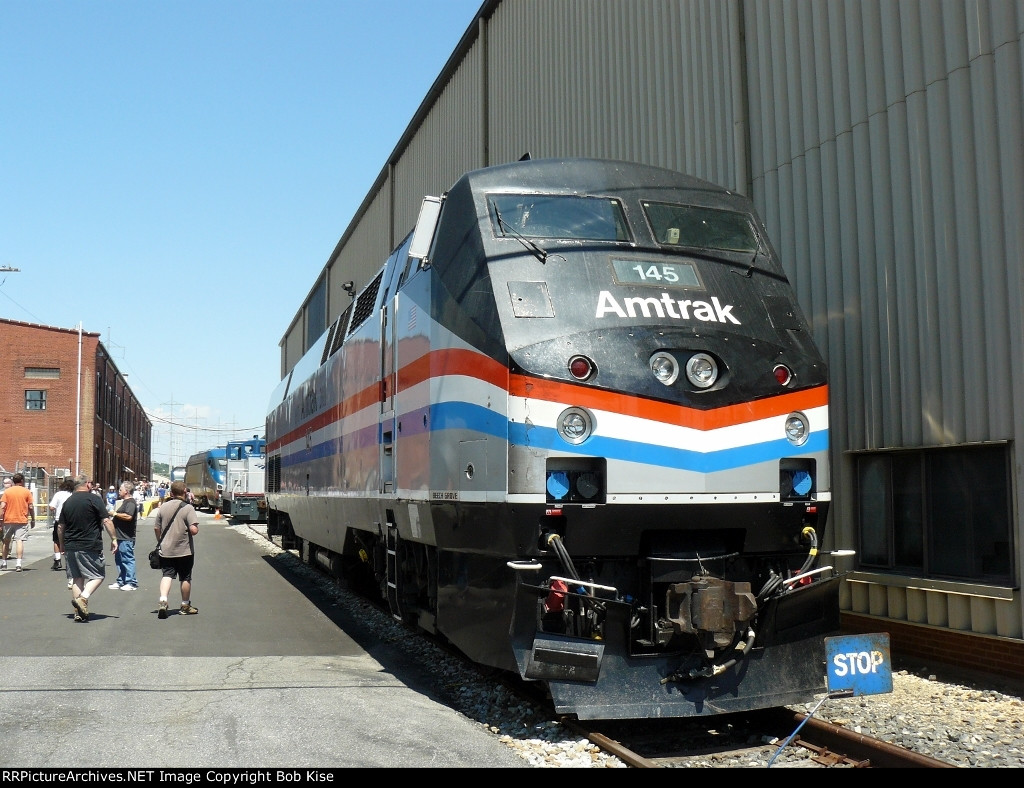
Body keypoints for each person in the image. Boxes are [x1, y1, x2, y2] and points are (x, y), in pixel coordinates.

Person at [58, 475, 117, 622]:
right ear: (87, 484)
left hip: (71, 544)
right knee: (98, 575)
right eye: (90, 483)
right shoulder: (94, 499)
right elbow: (106, 521)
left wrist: (62, 544)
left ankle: (79, 611)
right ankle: (82, 599)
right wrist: (114, 539)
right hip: (89, 544)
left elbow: (60, 526)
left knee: (77, 578)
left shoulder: (68, 502)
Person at [153, 480, 200, 618]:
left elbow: (156, 527)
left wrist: (160, 540)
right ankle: (185, 605)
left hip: (166, 549)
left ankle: (163, 600)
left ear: (171, 493)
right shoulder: (188, 508)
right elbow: (194, 530)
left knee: (167, 575)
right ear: (185, 491)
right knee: (185, 577)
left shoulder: (163, 507)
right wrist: (195, 528)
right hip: (184, 550)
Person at [1, 473, 36, 572]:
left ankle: (4, 563)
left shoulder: (7, 492)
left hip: (8, 520)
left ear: (13, 481)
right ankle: (18, 563)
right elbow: (31, 507)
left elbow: (2, 507)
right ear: (22, 481)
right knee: (19, 541)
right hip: (21, 520)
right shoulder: (26, 492)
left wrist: (1, 519)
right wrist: (33, 519)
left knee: (6, 541)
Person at [109, 481, 139, 591]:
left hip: (126, 537)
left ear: (126, 491)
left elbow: (128, 516)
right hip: (119, 537)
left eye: (120, 490)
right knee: (119, 560)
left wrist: (115, 514)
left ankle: (131, 582)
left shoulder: (130, 503)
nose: (119, 491)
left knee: (127, 559)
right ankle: (122, 580)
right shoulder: (124, 502)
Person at [48, 477, 75, 574]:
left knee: (56, 540)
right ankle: (69, 561)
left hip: (59, 519)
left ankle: (57, 560)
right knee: (70, 540)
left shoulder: (58, 494)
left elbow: (51, 507)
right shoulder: (73, 495)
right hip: (71, 520)